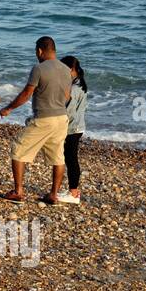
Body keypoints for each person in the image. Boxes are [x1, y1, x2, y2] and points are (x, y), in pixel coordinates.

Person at [0, 35, 74, 203]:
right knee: (58, 157)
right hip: (62, 118)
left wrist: (8, 108)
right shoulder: (66, 70)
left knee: (18, 148)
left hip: (44, 119)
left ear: (40, 51)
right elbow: (68, 96)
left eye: (36, 52)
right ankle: (53, 195)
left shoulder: (39, 68)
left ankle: (18, 192)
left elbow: (26, 94)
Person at [61, 55, 88, 205]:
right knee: (70, 158)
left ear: (71, 69)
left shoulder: (74, 88)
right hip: (78, 126)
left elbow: (69, 111)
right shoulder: (80, 84)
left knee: (71, 160)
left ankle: (73, 193)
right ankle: (73, 191)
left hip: (72, 127)